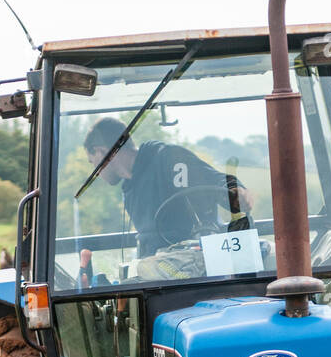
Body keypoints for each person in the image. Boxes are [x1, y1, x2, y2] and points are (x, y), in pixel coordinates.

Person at [82, 117, 253, 276]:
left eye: (92, 162)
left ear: (101, 151)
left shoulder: (167, 158)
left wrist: (236, 193)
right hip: (162, 270)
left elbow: (217, 181)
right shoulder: (130, 190)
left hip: (193, 260)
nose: (96, 172)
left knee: (141, 271)